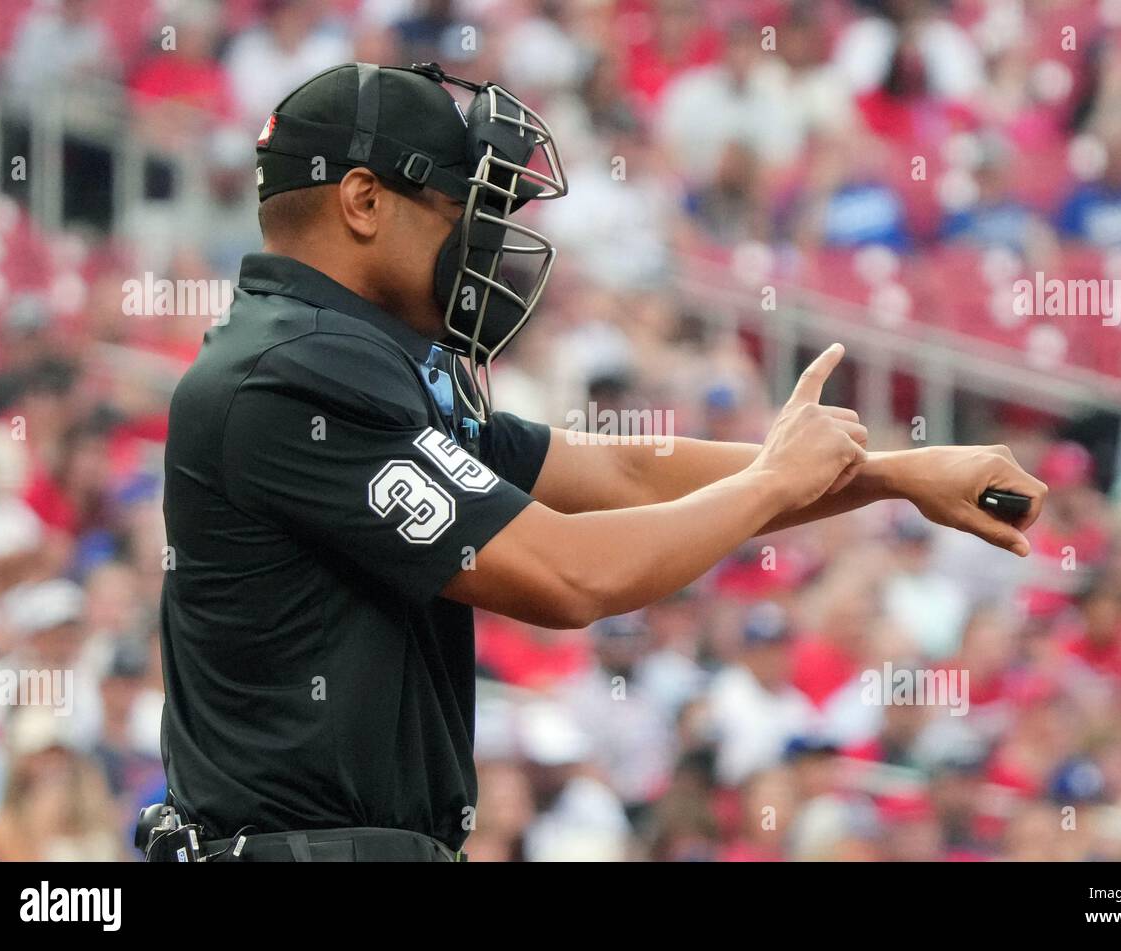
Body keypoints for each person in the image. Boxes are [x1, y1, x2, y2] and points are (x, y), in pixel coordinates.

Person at [158, 61, 1047, 862]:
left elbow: (620, 476)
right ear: (363, 201)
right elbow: (569, 574)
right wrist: (775, 476)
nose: (482, 241)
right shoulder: (288, 375)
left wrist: (894, 475)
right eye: (463, 207)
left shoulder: (357, 359)